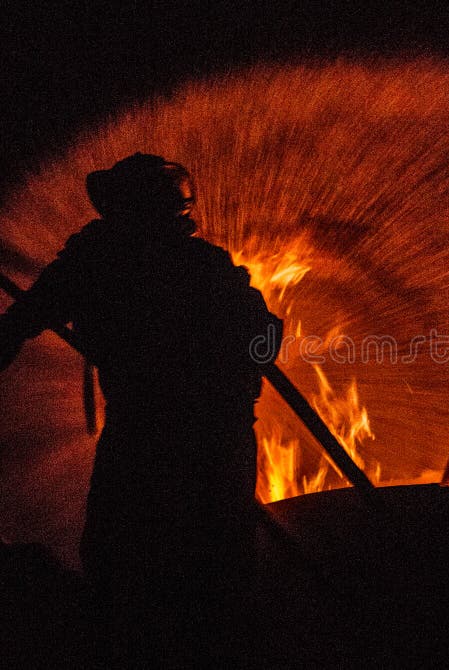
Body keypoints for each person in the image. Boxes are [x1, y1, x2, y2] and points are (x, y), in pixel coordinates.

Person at [0, 153, 282, 665]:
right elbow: (265, 336)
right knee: (213, 563)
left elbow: (18, 324)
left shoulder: (94, 263)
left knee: (125, 559)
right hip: (213, 434)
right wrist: (246, 372)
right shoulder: (200, 266)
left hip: (156, 432)